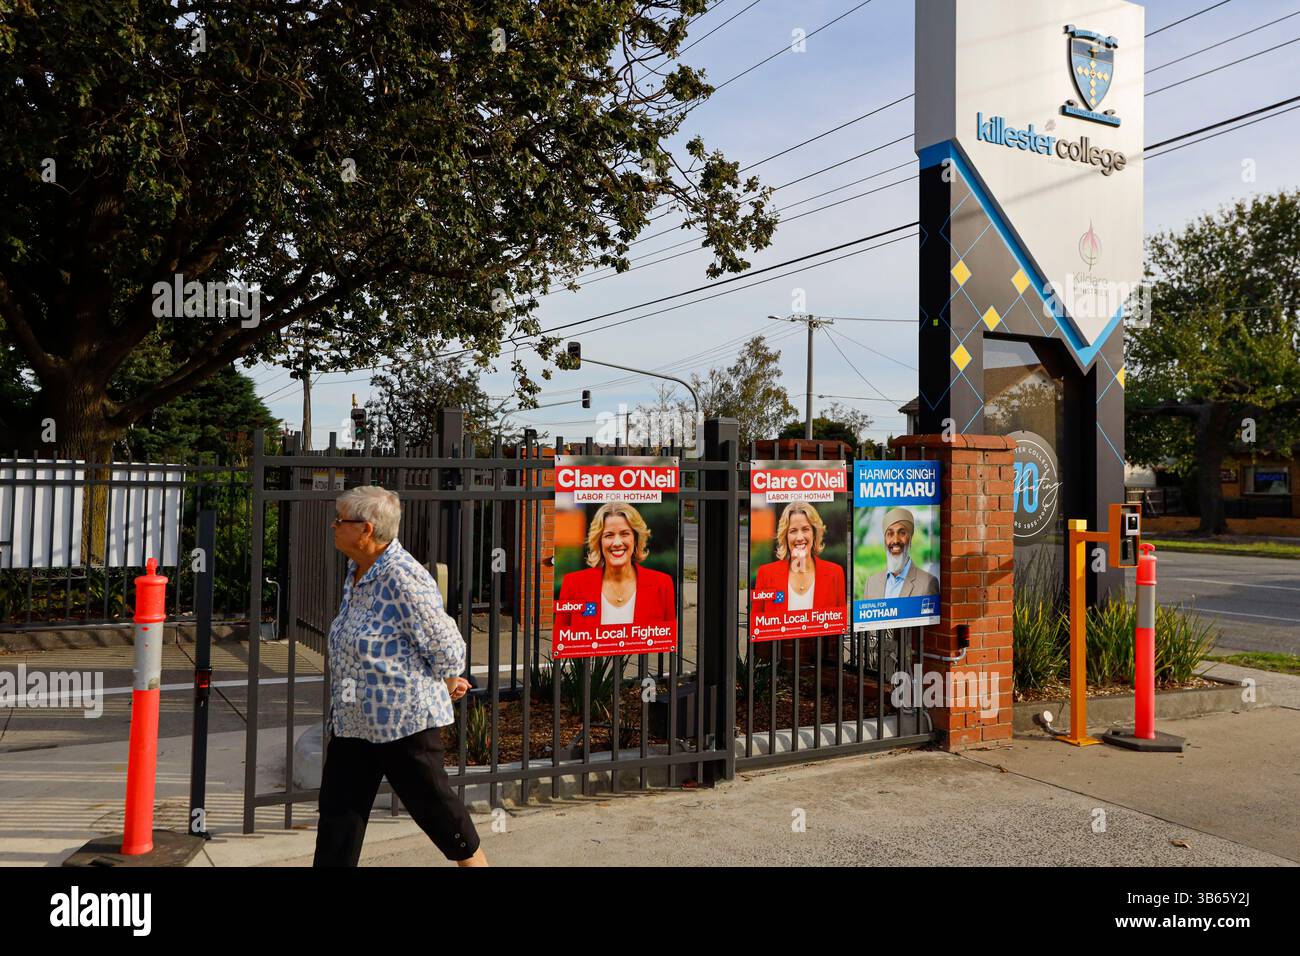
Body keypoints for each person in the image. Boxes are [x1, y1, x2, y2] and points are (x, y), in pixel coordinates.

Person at [314, 485, 487, 867]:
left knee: (439, 814)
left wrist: (446, 679)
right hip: (354, 723)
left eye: (341, 520)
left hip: (402, 723)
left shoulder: (403, 577)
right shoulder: (357, 570)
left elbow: (447, 647)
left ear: (366, 529)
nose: (333, 525)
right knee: (337, 819)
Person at [553, 501, 675, 630]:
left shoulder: (662, 583)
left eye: (625, 533)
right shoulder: (573, 583)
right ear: (598, 541)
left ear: (636, 538)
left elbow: (667, 642)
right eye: (609, 535)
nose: (617, 542)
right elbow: (563, 638)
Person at [751, 500, 846, 617]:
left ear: (814, 533)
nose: (799, 537)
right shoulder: (766, 574)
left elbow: (838, 626)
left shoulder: (835, 573)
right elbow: (758, 625)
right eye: (793, 531)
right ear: (785, 536)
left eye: (805, 529)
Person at [864, 506, 939, 599]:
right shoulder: (871, 583)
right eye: (890, 534)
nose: (895, 540)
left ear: (910, 539)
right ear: (884, 542)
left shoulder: (928, 583)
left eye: (902, 533)